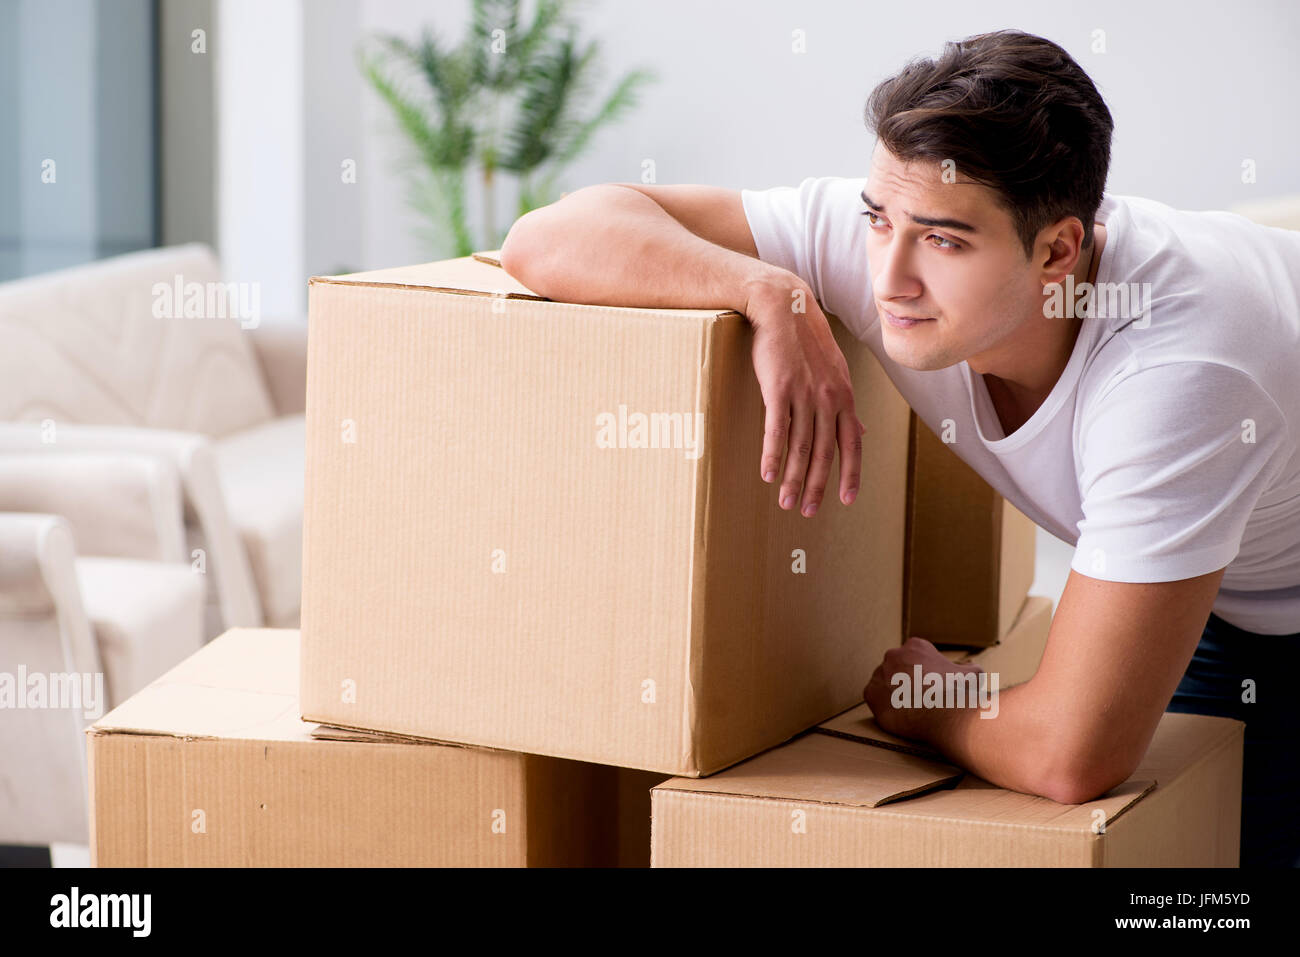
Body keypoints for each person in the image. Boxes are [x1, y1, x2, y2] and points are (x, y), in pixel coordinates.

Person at [500, 29, 1300, 867]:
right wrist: (766, 292)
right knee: (1190, 859)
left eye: (945, 242)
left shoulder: (1178, 372)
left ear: (1059, 249)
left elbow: (1071, 755)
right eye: (879, 220)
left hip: (1266, 591)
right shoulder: (895, 233)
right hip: (1240, 586)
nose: (888, 279)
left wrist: (930, 699)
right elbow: (551, 235)